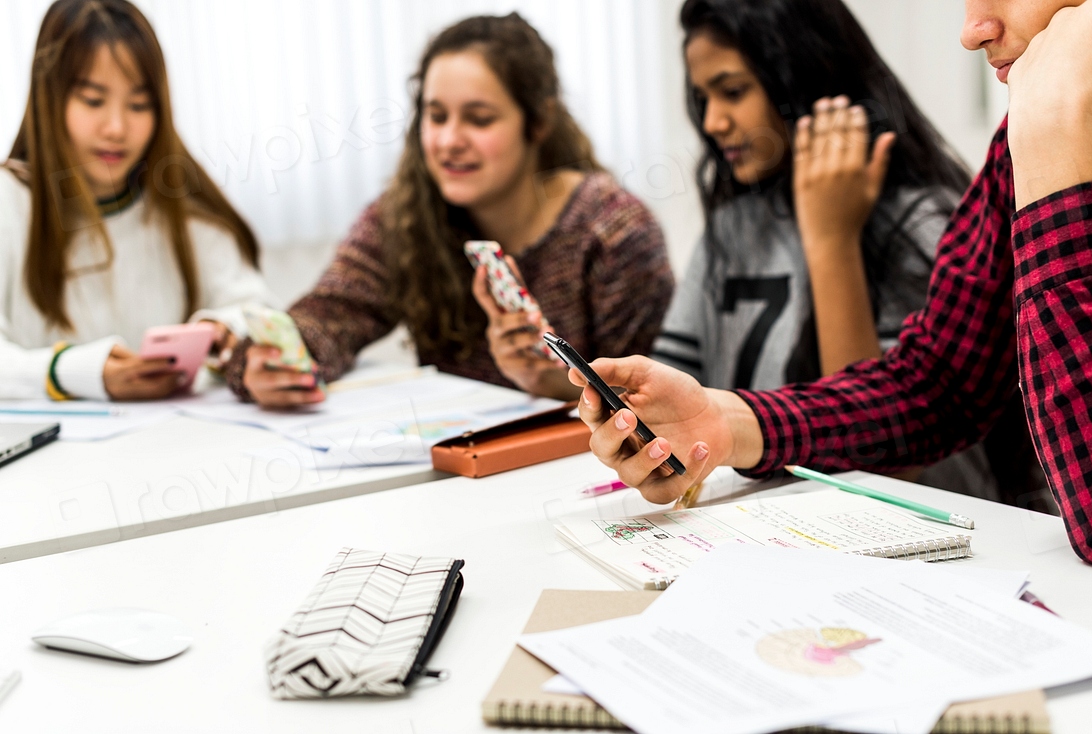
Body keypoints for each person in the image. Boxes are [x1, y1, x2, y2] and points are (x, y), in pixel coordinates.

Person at [571, 0, 1092, 565]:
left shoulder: (990, 170)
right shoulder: (734, 227)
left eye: (734, 91)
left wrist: (1054, 152)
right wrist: (722, 423)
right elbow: (937, 386)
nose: (972, 33)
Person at [650, 0, 1021, 500]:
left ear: (805, 81)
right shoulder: (733, 227)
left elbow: (892, 448)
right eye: (703, 98)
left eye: (733, 91)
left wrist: (831, 241)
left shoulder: (922, 221)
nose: (714, 121)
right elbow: (675, 393)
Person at [227, 13, 674, 406]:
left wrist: (551, 382)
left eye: (479, 119)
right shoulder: (407, 214)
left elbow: (650, 405)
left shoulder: (613, 232)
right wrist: (269, 362)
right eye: (436, 116)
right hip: (455, 464)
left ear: (538, 122)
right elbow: (330, 316)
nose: (448, 141)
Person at [0, 0, 268, 402]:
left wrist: (223, 331)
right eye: (93, 100)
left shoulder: (181, 205)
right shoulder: (9, 203)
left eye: (139, 105)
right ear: (48, 99)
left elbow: (258, 312)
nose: (116, 128)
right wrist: (73, 372)